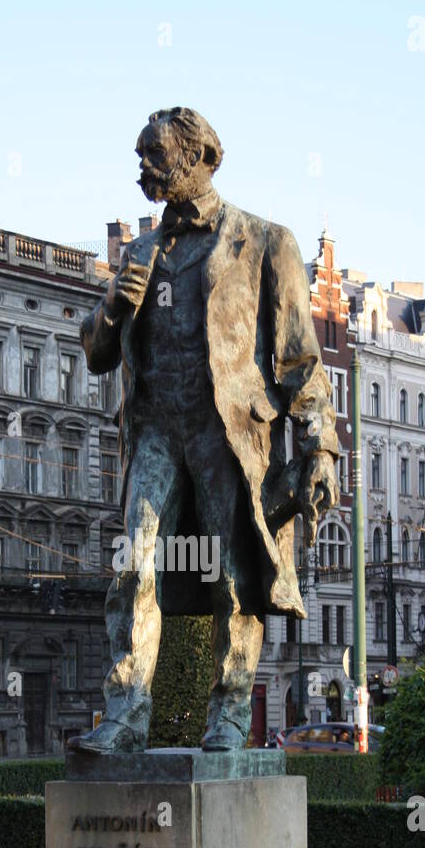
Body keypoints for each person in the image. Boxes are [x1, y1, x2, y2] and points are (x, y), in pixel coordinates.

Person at [69, 106, 339, 755]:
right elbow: (96, 352)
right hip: (157, 429)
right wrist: (114, 305)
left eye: (156, 156)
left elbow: (299, 357)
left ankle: (226, 717)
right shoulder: (139, 253)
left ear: (202, 158)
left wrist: (320, 442)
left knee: (233, 574)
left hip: (232, 434)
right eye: (141, 156)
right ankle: (126, 717)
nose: (145, 168)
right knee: (133, 566)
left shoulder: (267, 241)